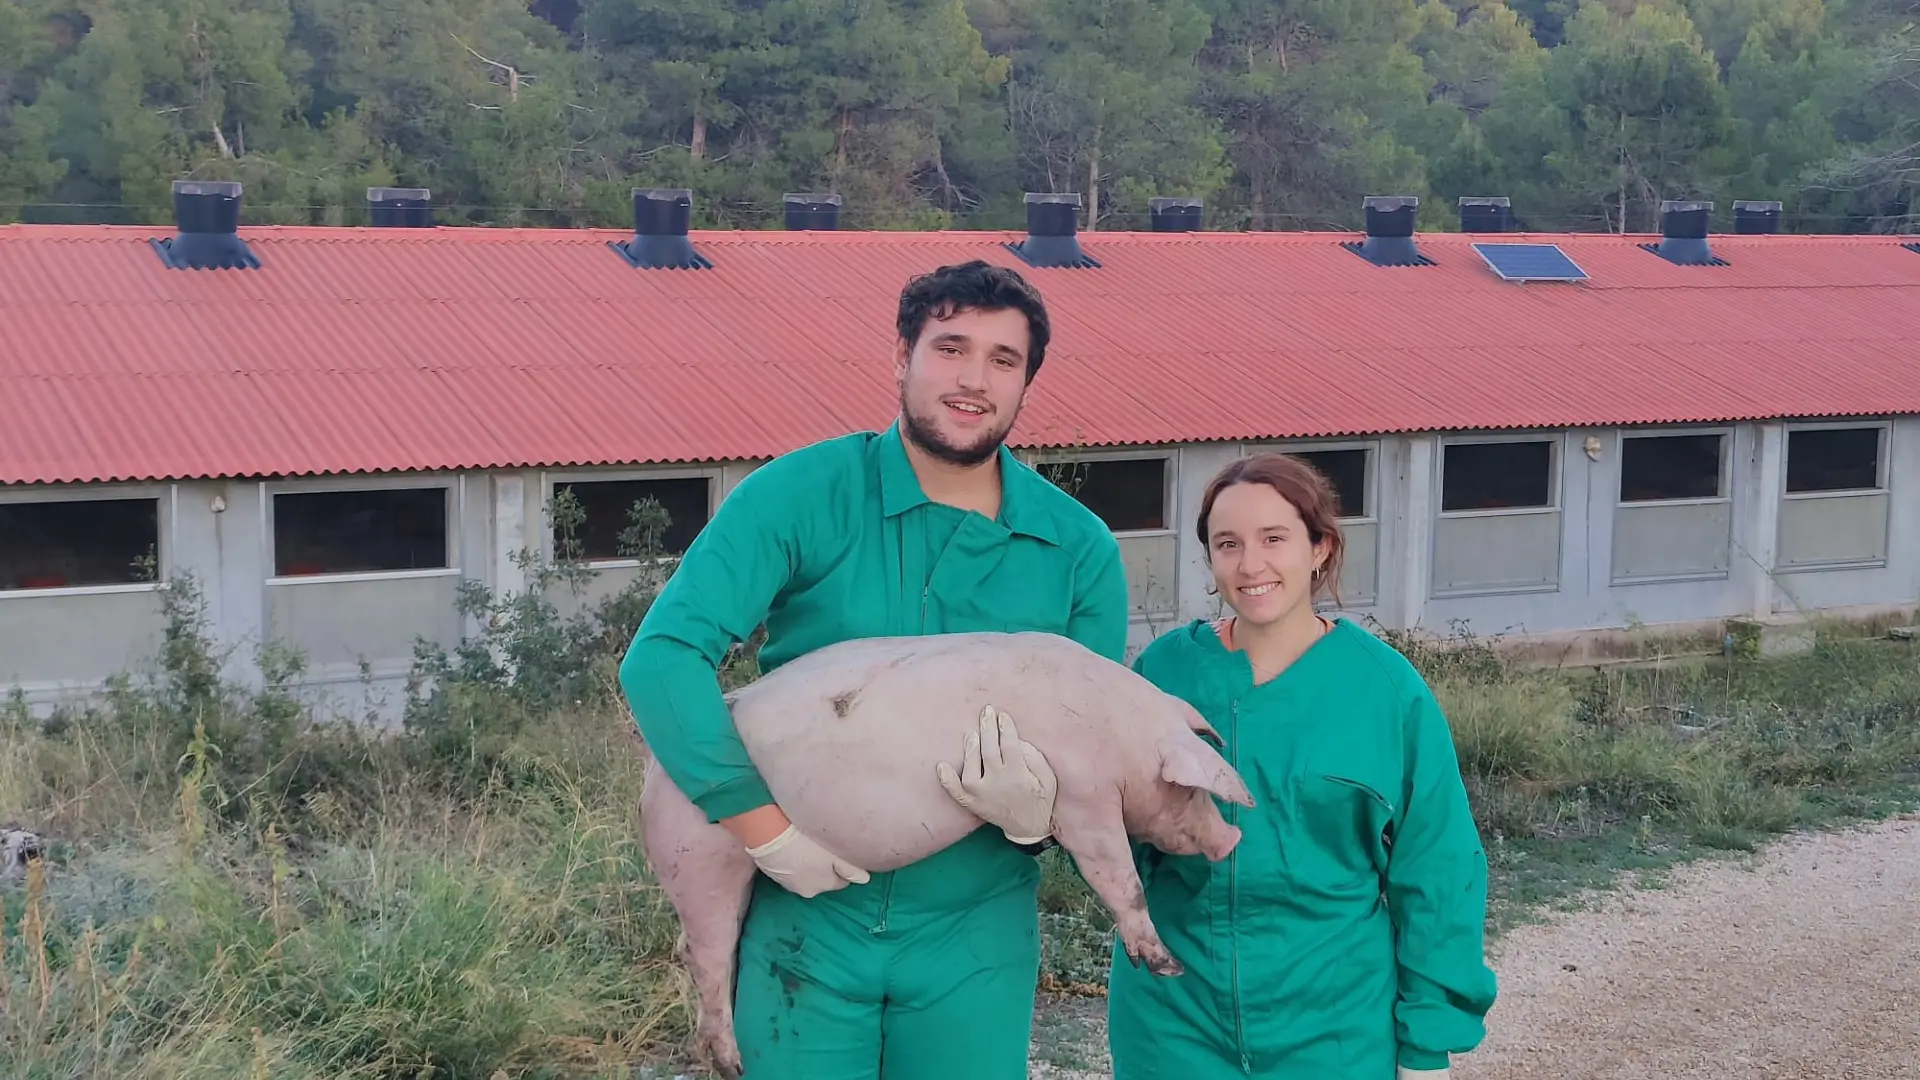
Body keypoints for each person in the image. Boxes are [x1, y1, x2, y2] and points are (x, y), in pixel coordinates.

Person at [618, 259, 1132, 1079]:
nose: (974, 380)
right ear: (901, 355)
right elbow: (663, 661)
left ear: (1029, 382)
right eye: (951, 348)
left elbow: (1096, 751)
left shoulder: (1077, 553)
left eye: (1004, 361)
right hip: (805, 920)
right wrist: (764, 832)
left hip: (977, 927)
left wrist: (1041, 817)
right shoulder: (799, 495)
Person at [1106, 452, 1498, 1080]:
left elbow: (1437, 869)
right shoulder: (1162, 675)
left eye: (1274, 538)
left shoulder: (1384, 690)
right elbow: (1112, 833)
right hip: (1173, 1020)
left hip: (1334, 1026)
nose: (1250, 564)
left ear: (1319, 547)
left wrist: (1428, 1044)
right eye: (1227, 543)